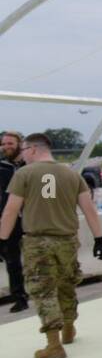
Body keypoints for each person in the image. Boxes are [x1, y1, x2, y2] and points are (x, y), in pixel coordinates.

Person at [0, 133, 102, 358]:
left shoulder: (24, 174)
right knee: (67, 283)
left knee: (42, 289)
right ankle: (68, 326)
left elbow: (10, 210)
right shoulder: (71, 174)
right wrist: (99, 239)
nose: (22, 155)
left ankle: (53, 344)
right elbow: (89, 209)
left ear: (32, 149)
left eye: (24, 150)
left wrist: (2, 239)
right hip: (67, 240)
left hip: (37, 242)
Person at [0, 130, 27, 312]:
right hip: (10, 220)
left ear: (20, 144)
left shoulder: (32, 165)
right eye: (4, 144)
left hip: (32, 219)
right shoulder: (1, 167)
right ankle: (19, 297)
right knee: (12, 261)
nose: (6, 147)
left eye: (10, 143)